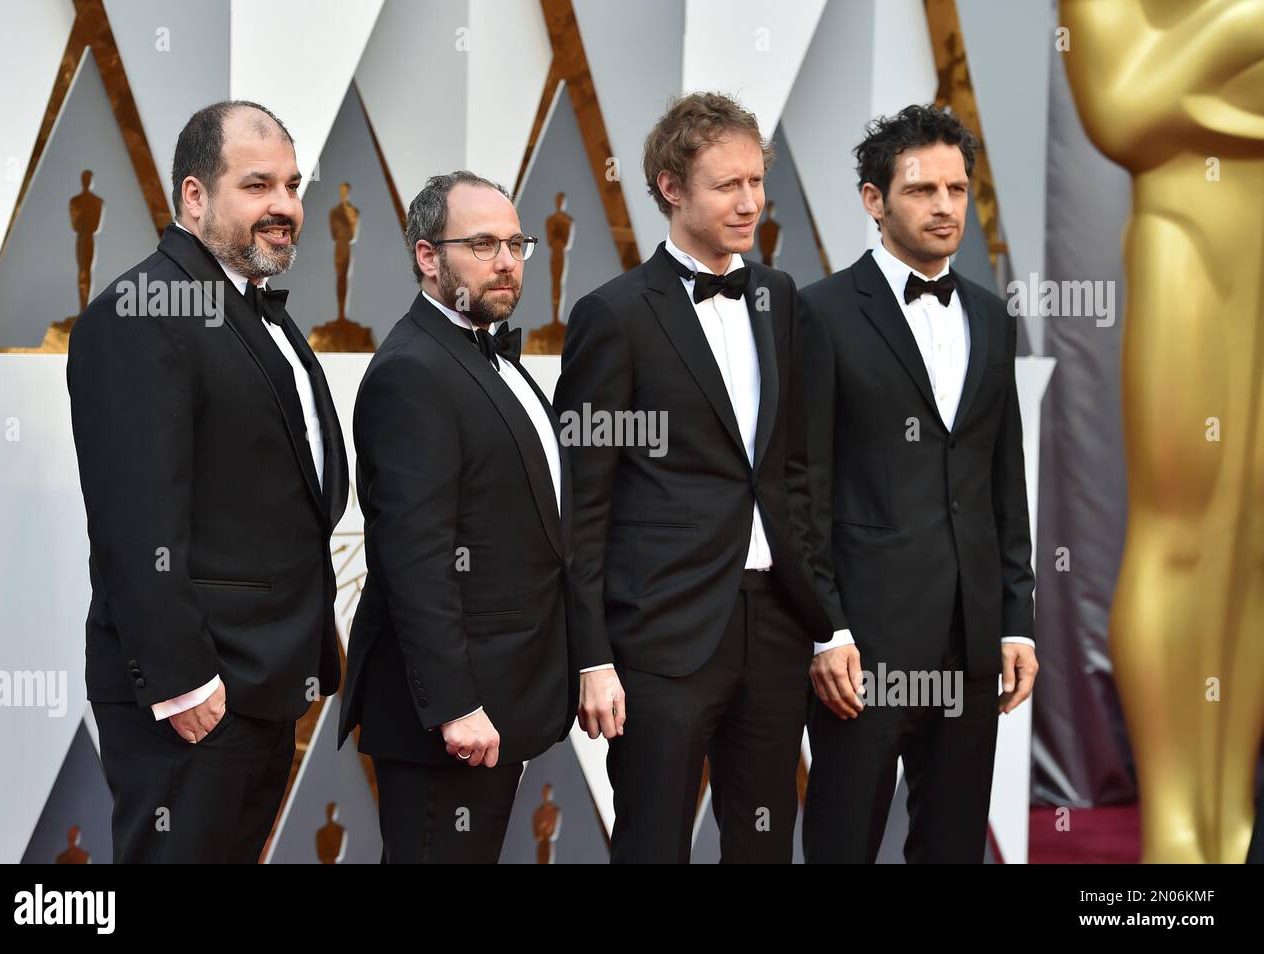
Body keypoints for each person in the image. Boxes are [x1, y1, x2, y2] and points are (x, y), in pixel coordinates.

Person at [67, 101, 348, 863]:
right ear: (194, 197)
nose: (285, 206)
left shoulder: (260, 313)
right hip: (195, 693)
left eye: (292, 186)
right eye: (257, 186)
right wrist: (186, 682)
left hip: (262, 681)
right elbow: (134, 521)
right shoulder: (142, 311)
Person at [554, 92, 830, 863]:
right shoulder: (615, 316)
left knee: (766, 839)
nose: (750, 203)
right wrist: (593, 656)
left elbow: (796, 472)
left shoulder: (777, 300)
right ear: (673, 189)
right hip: (660, 635)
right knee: (654, 841)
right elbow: (583, 499)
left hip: (775, 626)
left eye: (757, 182)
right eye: (727, 186)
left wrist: (826, 617)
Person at [799, 104, 1038, 863]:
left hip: (971, 641)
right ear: (875, 201)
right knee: (844, 841)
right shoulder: (819, 315)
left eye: (957, 189)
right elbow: (800, 487)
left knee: (953, 847)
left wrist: (1016, 618)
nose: (943, 206)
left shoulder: (993, 319)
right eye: (920, 190)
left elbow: (1006, 480)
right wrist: (825, 628)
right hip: (863, 649)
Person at [337, 171, 574, 863]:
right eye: (481, 244)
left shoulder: (493, 357)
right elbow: (415, 557)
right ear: (427, 256)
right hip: (451, 715)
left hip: (507, 696)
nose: (506, 261)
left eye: (515, 243)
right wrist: (454, 704)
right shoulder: (413, 371)